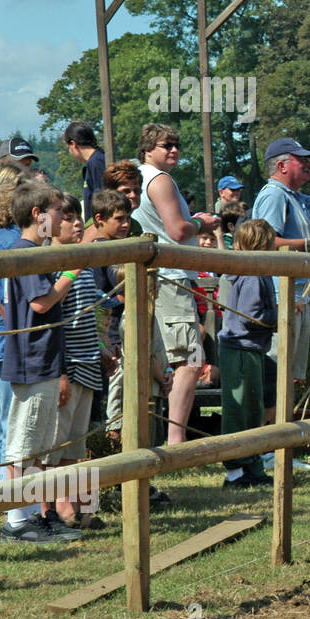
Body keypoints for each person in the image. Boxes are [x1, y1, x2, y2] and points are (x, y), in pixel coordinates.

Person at [0, 181, 84, 544]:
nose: (63, 217)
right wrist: (70, 273)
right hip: (31, 362)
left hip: (44, 360)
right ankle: (16, 521)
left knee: (38, 444)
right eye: (57, 211)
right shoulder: (25, 253)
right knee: (22, 445)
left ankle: (33, 514)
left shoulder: (34, 251)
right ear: (38, 215)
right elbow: (41, 303)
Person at [131, 123, 220, 446]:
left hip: (153, 277)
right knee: (190, 360)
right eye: (166, 145)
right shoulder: (160, 180)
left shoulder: (136, 178)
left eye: (177, 145)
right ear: (148, 148)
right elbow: (179, 231)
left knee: (159, 358)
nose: (174, 150)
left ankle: (153, 439)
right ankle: (176, 439)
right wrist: (203, 222)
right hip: (171, 278)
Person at [250, 137, 310, 383]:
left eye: (308, 160)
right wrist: (308, 245)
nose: (308, 164)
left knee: (291, 375)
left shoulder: (296, 196)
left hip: (298, 296)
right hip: (282, 297)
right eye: (301, 160)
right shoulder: (274, 196)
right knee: (277, 371)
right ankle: (272, 420)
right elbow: (266, 243)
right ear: (282, 166)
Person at [47, 195, 104, 529]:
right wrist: (61, 372)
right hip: (68, 366)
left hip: (90, 363)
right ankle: (55, 510)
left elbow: (86, 315)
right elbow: (54, 322)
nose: (76, 222)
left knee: (77, 444)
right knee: (57, 444)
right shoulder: (54, 263)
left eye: (77, 216)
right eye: (67, 217)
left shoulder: (83, 262)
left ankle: (84, 509)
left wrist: (103, 348)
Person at [217, 219, 278, 489]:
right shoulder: (253, 275)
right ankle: (234, 471)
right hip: (240, 349)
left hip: (249, 349)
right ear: (262, 244)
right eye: (272, 241)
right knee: (238, 411)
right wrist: (282, 313)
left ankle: (252, 466)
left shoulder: (257, 271)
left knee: (253, 409)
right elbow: (252, 316)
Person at [0, 159, 32, 484]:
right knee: (13, 422)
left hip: (0, 338)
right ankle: (14, 502)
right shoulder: (12, 240)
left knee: (0, 423)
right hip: (8, 340)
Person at [64, 122, 107, 224]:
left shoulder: (96, 162)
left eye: (68, 148)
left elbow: (103, 202)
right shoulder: (93, 162)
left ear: (73, 144)